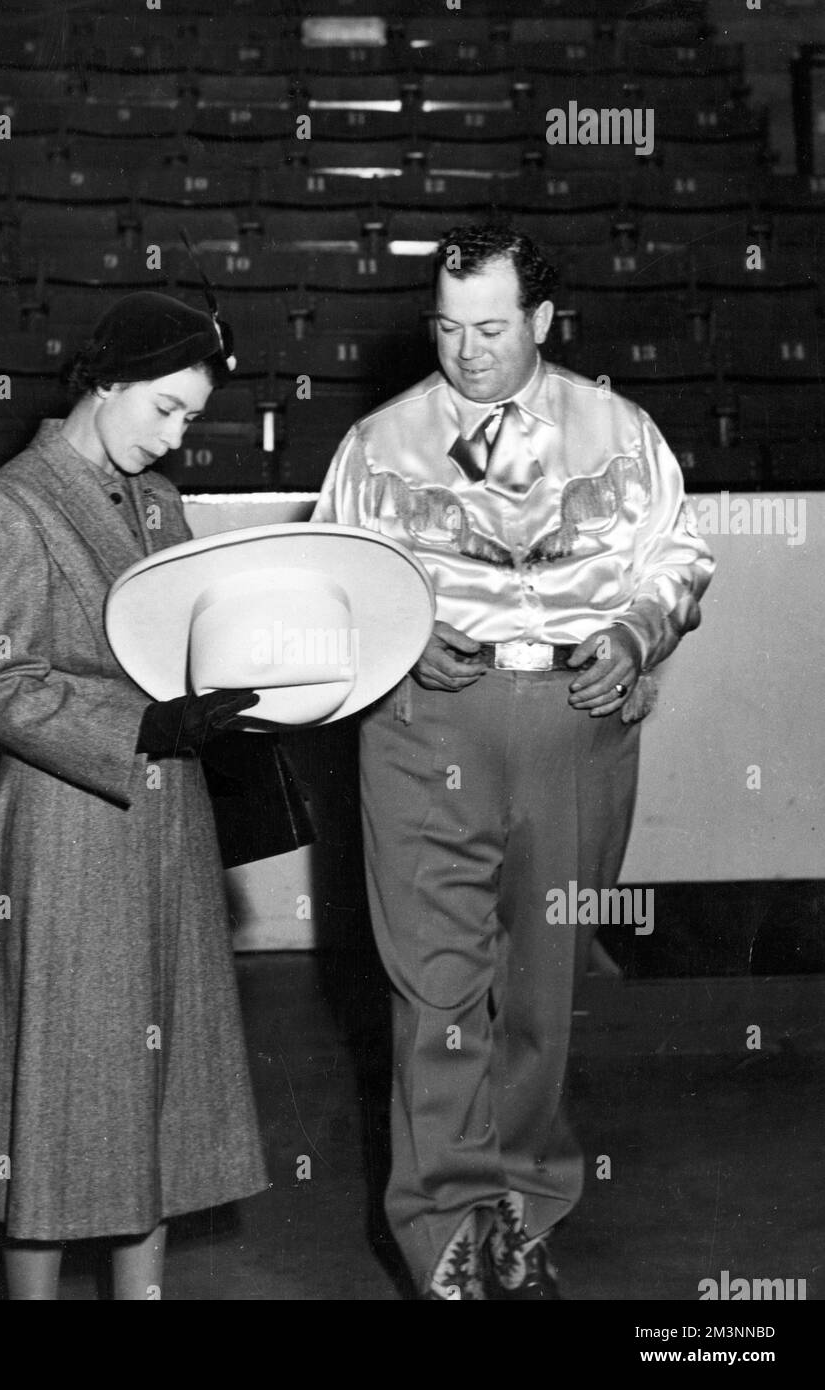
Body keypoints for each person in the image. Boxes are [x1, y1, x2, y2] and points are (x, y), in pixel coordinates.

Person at [311, 224, 715, 1300]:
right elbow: (328, 580)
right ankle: (442, 1228)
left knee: (543, 984)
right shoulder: (377, 442)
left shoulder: (618, 429)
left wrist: (635, 635)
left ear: (540, 320)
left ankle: (523, 1208)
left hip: (575, 718)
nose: (466, 350)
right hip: (422, 719)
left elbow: (677, 553)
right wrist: (388, 638)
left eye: (491, 327)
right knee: (434, 982)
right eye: (446, 327)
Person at [0, 291, 267, 1299]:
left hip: (170, 828)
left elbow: (188, 647)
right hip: (69, 827)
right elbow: (2, 685)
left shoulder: (160, 504)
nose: (174, 434)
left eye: (189, 419)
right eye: (163, 407)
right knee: (59, 1100)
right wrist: (140, 726)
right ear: (104, 383)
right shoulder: (6, 507)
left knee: (151, 1100)